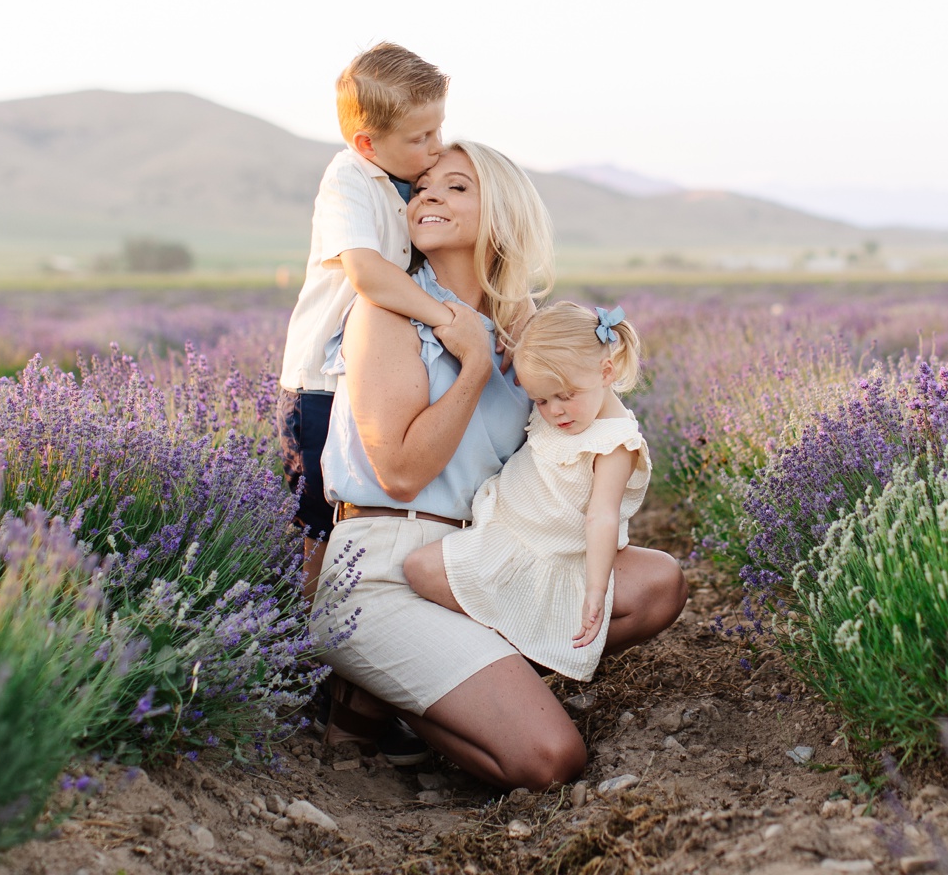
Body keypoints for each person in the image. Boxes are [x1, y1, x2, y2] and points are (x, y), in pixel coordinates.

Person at [314, 142, 686, 790]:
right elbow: (400, 472)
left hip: (481, 557)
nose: (429, 196)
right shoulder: (387, 313)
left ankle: (418, 688)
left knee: (657, 584)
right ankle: (389, 692)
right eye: (422, 187)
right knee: (551, 760)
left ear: (503, 214)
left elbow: (596, 433)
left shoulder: (525, 334)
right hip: (383, 568)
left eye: (457, 187)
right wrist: (475, 367)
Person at [279, 43, 456, 595]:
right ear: (367, 144)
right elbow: (367, 273)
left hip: (378, 381)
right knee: (317, 516)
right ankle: (303, 630)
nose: (436, 146)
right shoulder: (349, 178)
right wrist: (446, 320)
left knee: (366, 506)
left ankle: (365, 607)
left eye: (439, 129)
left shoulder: (415, 178)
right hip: (322, 385)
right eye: (421, 137)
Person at [403, 302, 651, 682]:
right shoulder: (571, 401)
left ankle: (497, 665)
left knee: (422, 569)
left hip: (544, 551)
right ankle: (489, 652)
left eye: (565, 395)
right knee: (418, 569)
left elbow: (602, 516)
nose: (555, 412)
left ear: (606, 372)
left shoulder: (615, 443)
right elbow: (550, 347)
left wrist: (595, 589)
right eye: (541, 400)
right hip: (502, 529)